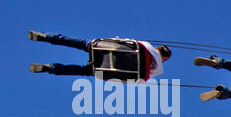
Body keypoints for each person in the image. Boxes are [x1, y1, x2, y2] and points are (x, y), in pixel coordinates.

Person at [28, 30, 171, 81]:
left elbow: (128, 43)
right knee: (84, 71)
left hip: (107, 50)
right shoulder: (157, 69)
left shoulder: (145, 45)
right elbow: (139, 80)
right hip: (110, 69)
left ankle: (45, 37)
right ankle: (49, 68)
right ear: (164, 58)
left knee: (82, 44)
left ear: (158, 47)